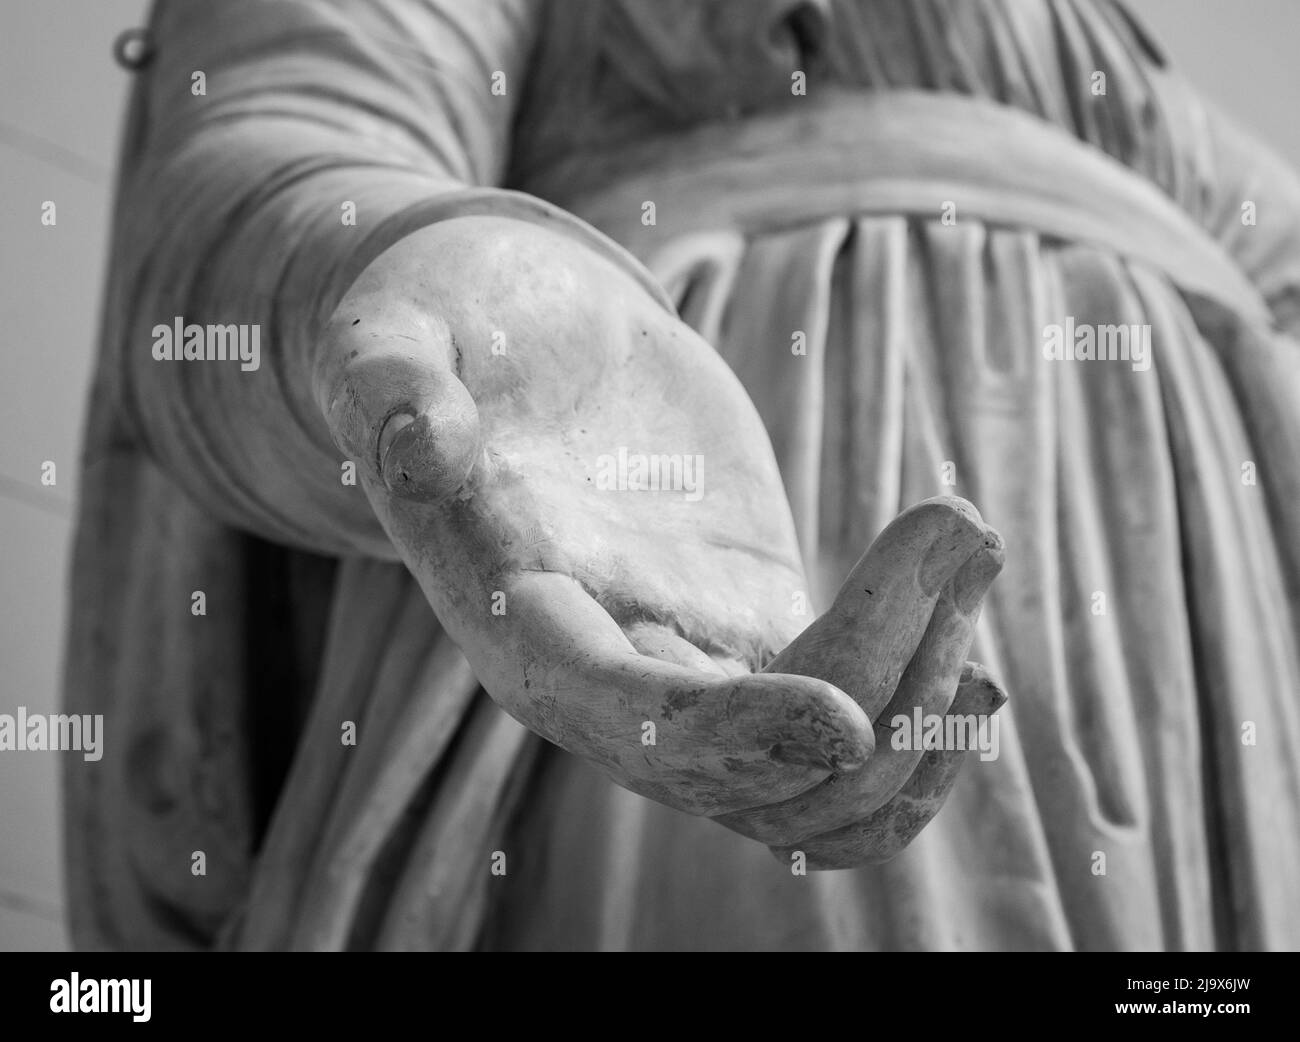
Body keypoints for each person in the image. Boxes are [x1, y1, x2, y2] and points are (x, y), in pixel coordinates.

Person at [65, 0, 1300, 951]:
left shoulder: (1109, 53)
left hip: (1193, 631)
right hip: (667, 496)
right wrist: (440, 297)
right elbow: (269, 147)